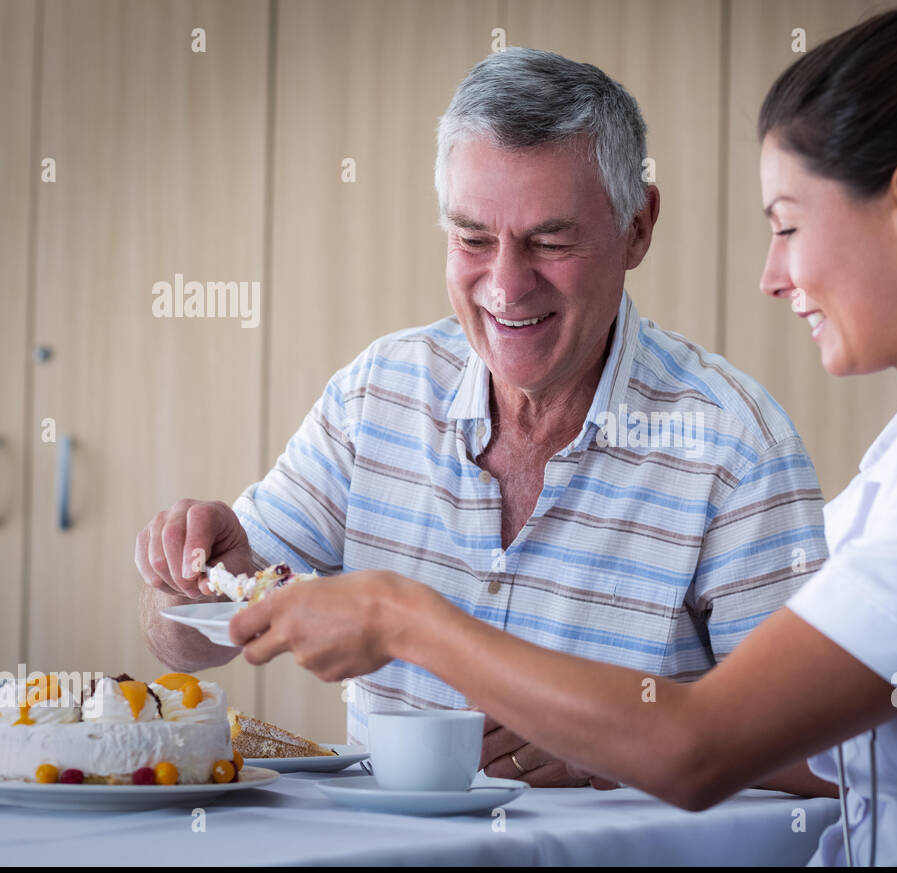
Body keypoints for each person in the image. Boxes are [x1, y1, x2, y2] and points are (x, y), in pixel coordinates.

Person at [225, 9, 897, 865]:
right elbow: (800, 742)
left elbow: (699, 748)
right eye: (474, 236)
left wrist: (403, 617)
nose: (773, 276)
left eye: (786, 225)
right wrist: (610, 733)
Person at [135, 47, 832, 797]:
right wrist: (195, 582)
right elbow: (185, 643)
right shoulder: (379, 394)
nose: (505, 285)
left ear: (638, 226)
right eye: (472, 238)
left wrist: (619, 742)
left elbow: (831, 755)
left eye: (550, 242)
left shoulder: (735, 446)